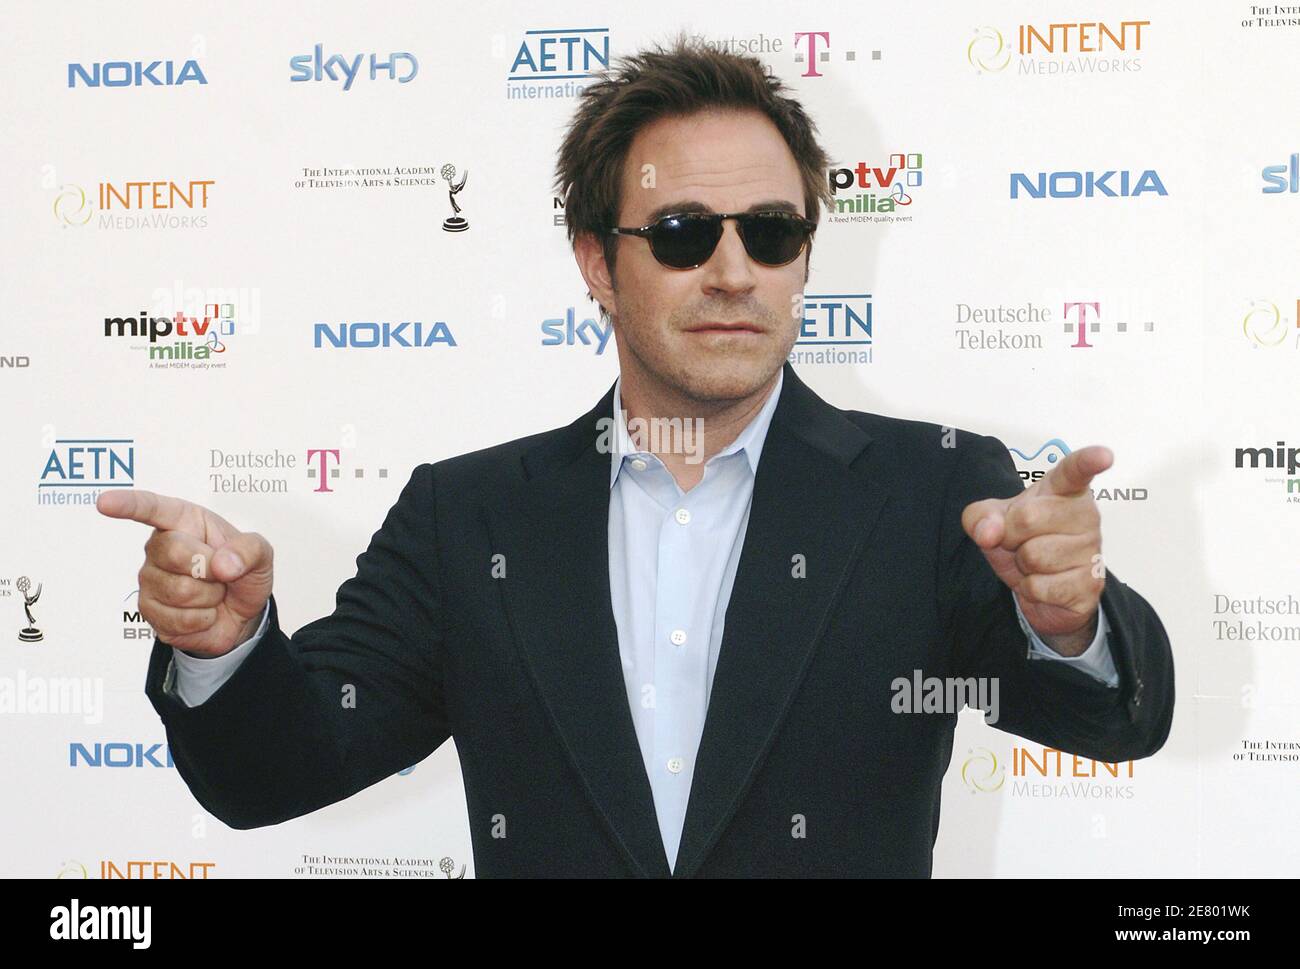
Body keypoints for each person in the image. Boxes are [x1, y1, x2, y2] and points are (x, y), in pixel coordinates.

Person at [95, 34, 1173, 877]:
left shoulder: (934, 489)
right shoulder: (469, 517)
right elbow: (277, 771)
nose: (733, 270)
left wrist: (1067, 619)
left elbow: (1115, 724)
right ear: (594, 264)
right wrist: (225, 650)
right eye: (680, 233)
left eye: (771, 231)